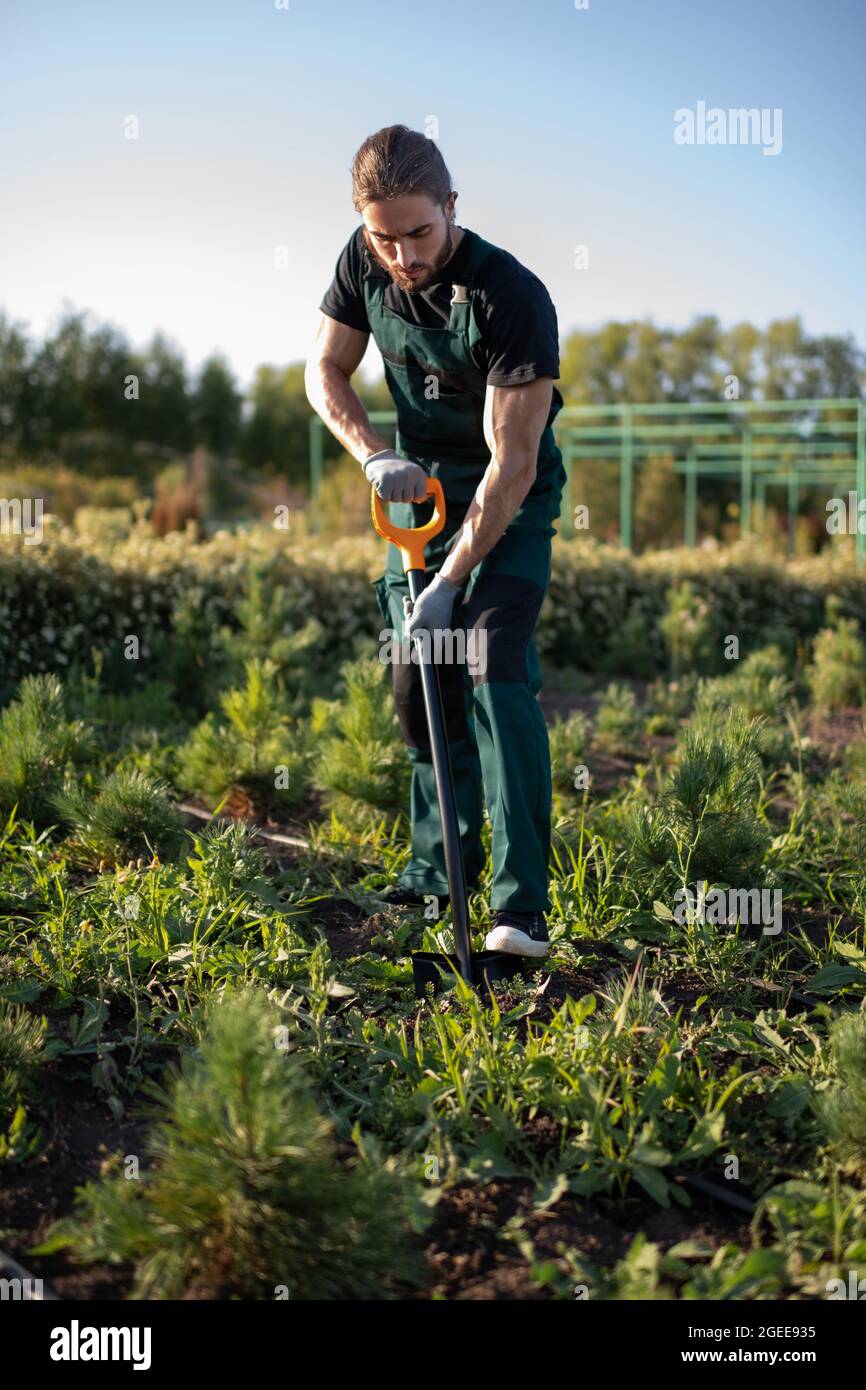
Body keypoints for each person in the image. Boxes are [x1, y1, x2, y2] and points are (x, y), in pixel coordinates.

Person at [305, 125, 566, 958]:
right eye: (384, 237)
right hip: (418, 497)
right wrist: (376, 453)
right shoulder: (362, 259)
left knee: (490, 668)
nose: (402, 255)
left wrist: (453, 580)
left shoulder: (508, 296)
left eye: (419, 232)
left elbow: (513, 462)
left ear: (452, 208)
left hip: (505, 500)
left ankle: (519, 910)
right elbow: (324, 372)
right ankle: (434, 875)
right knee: (421, 684)